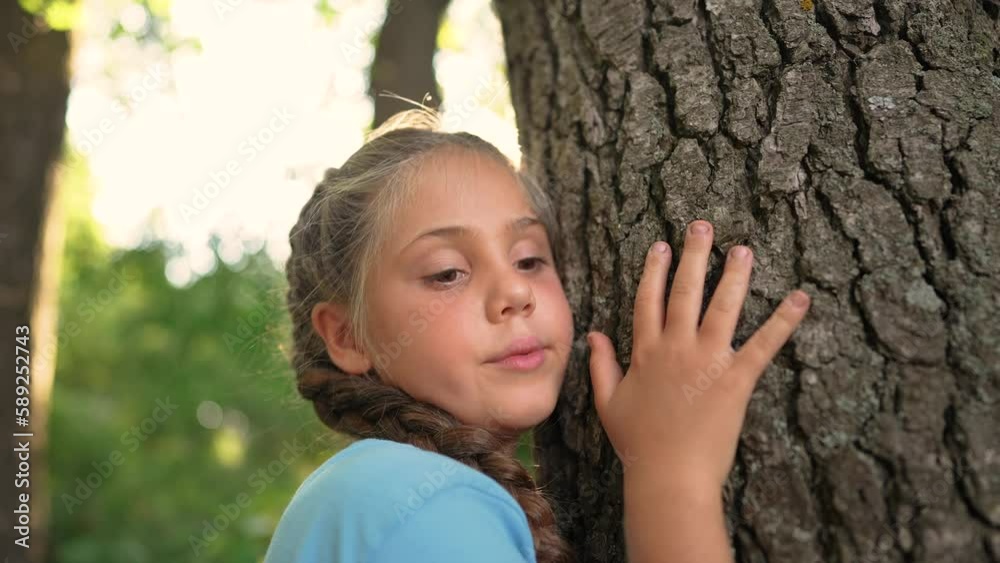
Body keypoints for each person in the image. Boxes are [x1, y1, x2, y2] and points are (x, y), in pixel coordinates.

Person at [263, 108, 811, 563]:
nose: (515, 294)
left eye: (529, 259)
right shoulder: (403, 498)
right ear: (349, 336)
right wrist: (674, 475)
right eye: (448, 272)